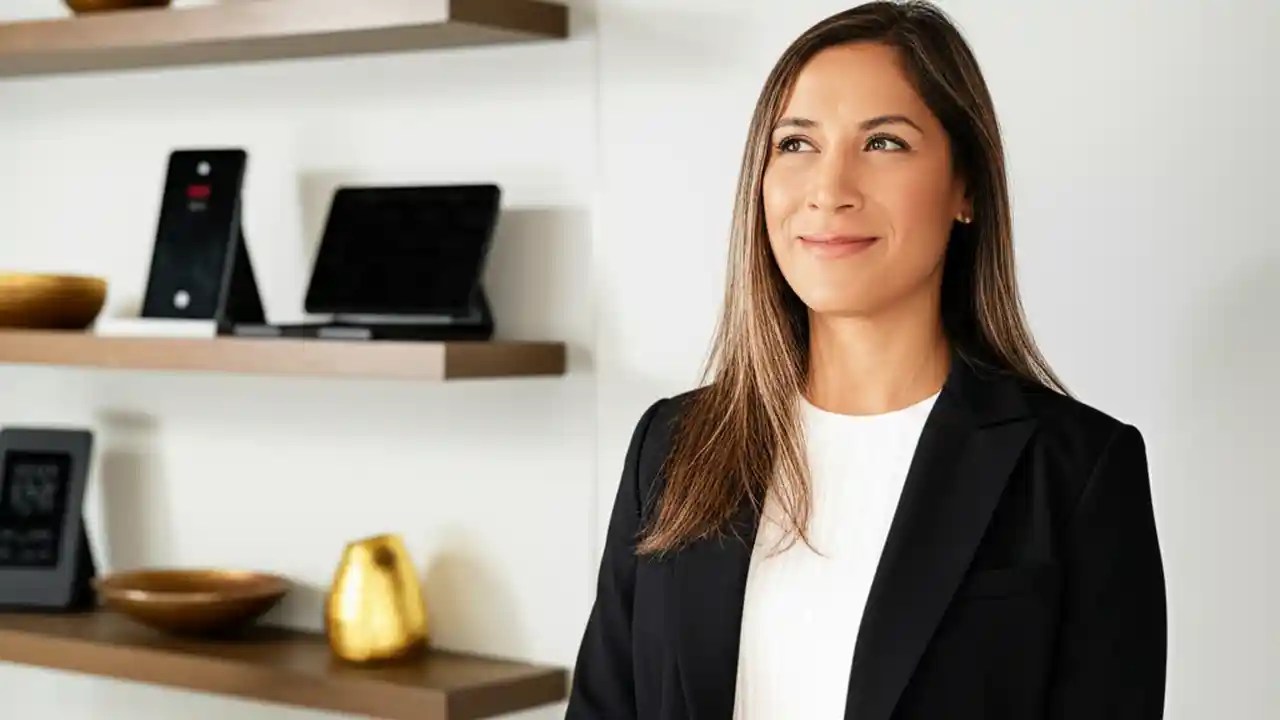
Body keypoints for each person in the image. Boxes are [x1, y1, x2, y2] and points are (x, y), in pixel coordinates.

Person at [566, 2, 1167, 719]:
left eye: (883, 143)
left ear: (965, 187)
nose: (829, 189)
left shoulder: (1077, 472)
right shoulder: (670, 448)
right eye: (795, 145)